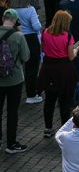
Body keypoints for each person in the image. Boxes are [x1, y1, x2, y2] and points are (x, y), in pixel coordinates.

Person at [38, 9, 79, 139]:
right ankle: (64, 130)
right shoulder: (68, 36)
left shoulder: (45, 32)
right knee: (64, 102)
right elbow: (71, 57)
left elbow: (43, 49)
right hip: (64, 71)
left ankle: (48, 128)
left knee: (49, 100)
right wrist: (76, 50)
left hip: (48, 69)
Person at [0, 9, 31, 153]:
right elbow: (26, 57)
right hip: (15, 79)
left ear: (3, 18)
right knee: (12, 112)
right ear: (15, 21)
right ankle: (11, 144)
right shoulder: (18, 36)